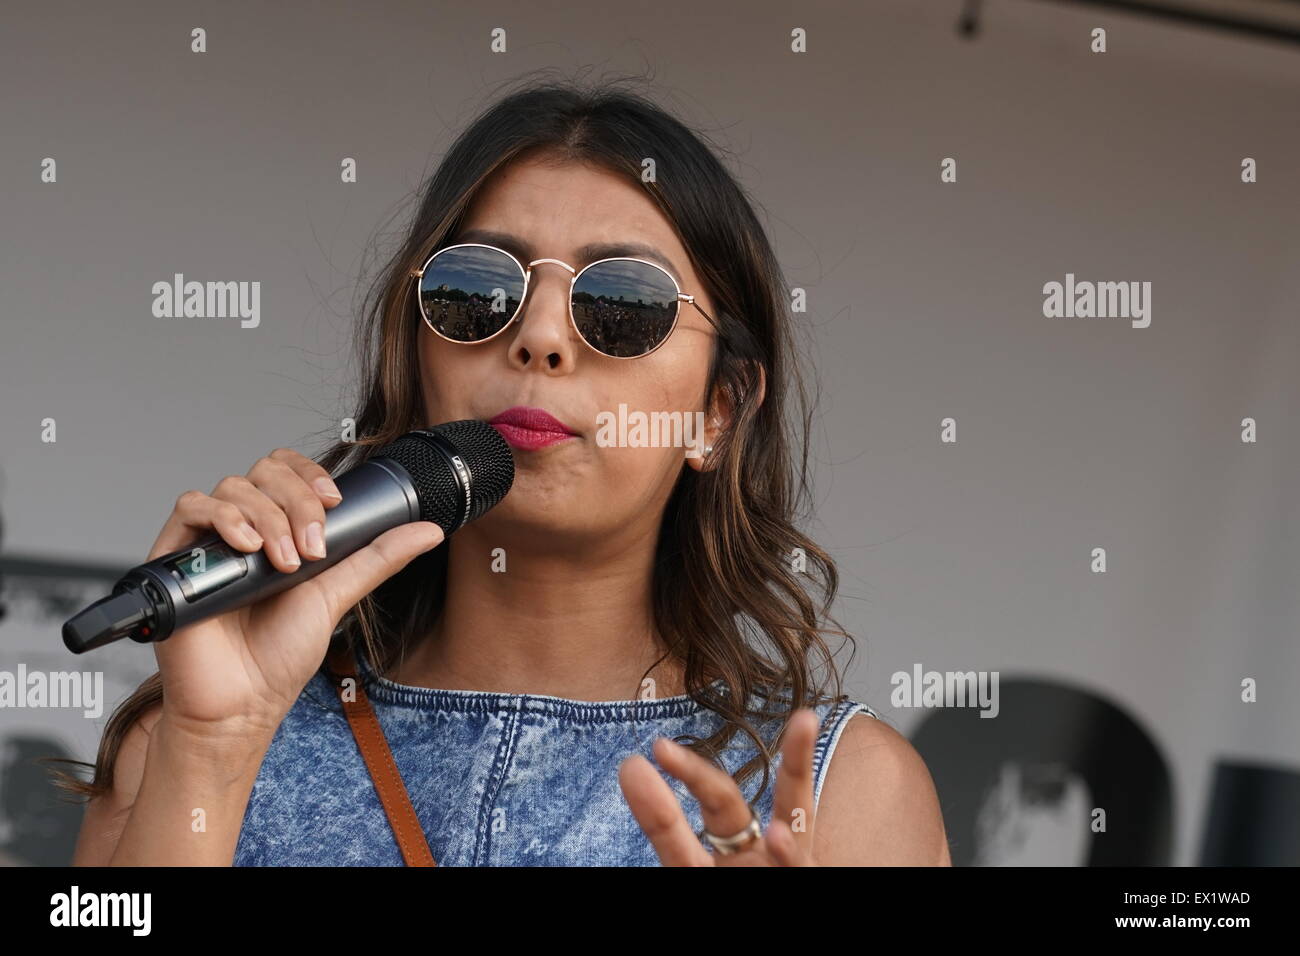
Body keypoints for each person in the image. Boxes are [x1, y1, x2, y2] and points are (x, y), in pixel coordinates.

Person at [58, 76, 950, 866]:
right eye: (479, 289)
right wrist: (214, 748)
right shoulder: (181, 735)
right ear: (415, 357)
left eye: (622, 303)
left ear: (717, 414)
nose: (542, 337)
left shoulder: (842, 795)